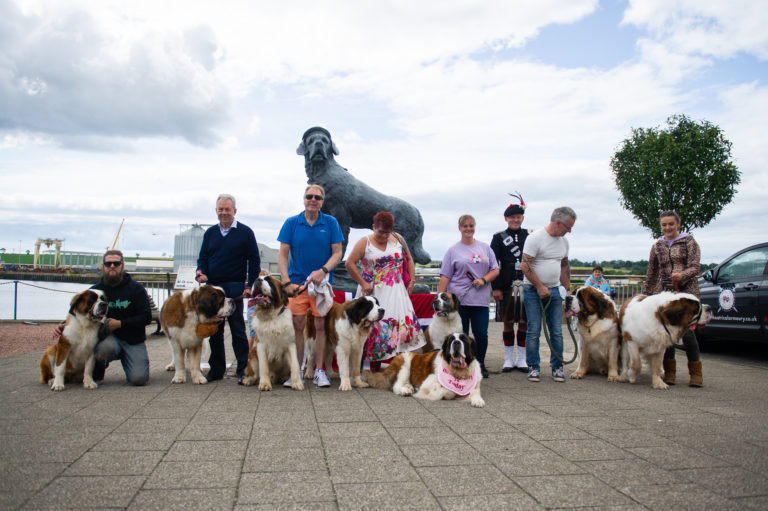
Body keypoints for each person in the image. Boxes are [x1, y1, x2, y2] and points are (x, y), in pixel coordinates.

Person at [54, 250, 152, 385]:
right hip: (108, 338)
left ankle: (131, 360)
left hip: (133, 340)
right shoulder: (95, 290)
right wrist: (63, 324)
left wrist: (120, 323)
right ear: (103, 266)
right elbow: (79, 311)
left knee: (139, 379)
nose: (112, 266)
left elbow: (146, 317)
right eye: (108, 263)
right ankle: (97, 371)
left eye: (116, 263)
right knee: (102, 349)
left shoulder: (136, 289)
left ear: (122, 265)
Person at [278, 184, 343, 388]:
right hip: (297, 284)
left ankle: (319, 370)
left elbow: (337, 252)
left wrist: (323, 270)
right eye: (309, 196)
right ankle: (296, 370)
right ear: (304, 199)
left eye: (317, 197)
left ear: (322, 202)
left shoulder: (330, 222)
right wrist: (286, 281)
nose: (313, 200)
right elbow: (283, 254)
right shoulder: (291, 223)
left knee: (321, 326)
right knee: (297, 326)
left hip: (321, 285)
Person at [345, 211, 426, 366]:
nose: (384, 236)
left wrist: (411, 281)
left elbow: (409, 259)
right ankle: (367, 370)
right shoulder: (364, 242)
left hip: (397, 292)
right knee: (374, 329)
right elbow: (350, 263)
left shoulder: (398, 239)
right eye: (381, 232)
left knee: (401, 329)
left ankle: (401, 368)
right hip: (373, 293)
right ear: (373, 227)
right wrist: (363, 283)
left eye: (387, 233)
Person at [196, 194, 260, 385]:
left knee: (238, 330)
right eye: (220, 209)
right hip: (213, 288)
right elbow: (203, 258)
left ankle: (243, 370)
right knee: (214, 330)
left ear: (234, 211)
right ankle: (216, 369)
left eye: (227, 209)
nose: (224, 213)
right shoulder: (210, 233)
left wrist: (250, 286)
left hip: (235, 287)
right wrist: (201, 272)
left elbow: (254, 261)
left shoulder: (245, 232)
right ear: (216, 211)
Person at [642, 210, 703, 387]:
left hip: (686, 291)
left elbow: (695, 267)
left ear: (678, 224)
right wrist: (645, 295)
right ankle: (669, 373)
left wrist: (682, 275)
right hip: (665, 293)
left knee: (688, 333)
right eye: (664, 225)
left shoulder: (689, 242)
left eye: (671, 224)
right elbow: (652, 273)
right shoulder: (657, 246)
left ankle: (696, 373)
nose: (668, 227)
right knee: (666, 333)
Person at [438, 214, 499, 378]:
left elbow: (495, 269)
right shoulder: (452, 250)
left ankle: (480, 364)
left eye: (471, 225)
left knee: (481, 334)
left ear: (474, 227)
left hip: (480, 301)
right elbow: (445, 276)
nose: (468, 229)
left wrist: (484, 280)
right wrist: (439, 300)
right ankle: (458, 364)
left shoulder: (485, 248)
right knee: (460, 336)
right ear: (460, 228)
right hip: (460, 301)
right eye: (465, 226)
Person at [521, 206, 576, 383]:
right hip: (533, 290)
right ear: (558, 223)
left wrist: (567, 290)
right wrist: (539, 286)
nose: (569, 231)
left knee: (557, 331)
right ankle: (533, 366)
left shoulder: (564, 242)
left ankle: (557, 366)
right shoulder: (535, 238)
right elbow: (525, 265)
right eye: (568, 227)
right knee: (534, 330)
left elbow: (564, 265)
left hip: (555, 289)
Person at [490, 194, 530, 372]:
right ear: (506, 218)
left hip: (525, 283)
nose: (515, 220)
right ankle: (508, 359)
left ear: (522, 218)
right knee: (507, 322)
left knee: (524, 322)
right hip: (506, 284)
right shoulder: (499, 237)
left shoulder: (529, 236)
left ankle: (521, 359)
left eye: (518, 217)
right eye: (512, 217)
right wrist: (496, 287)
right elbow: (493, 263)